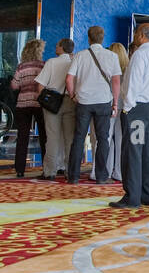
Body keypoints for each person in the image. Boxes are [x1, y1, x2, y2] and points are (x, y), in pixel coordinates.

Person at [111, 22, 149, 207]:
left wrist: (127, 108)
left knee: (133, 152)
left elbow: (133, 84)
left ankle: (132, 197)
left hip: (137, 109)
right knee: (147, 152)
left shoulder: (140, 54)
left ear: (141, 34)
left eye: (135, 32)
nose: (133, 36)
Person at [65, 26, 121, 184]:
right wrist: (115, 103)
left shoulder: (80, 56)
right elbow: (116, 81)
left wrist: (72, 95)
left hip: (83, 102)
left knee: (78, 138)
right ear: (103, 39)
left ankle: (73, 176)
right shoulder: (112, 56)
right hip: (104, 101)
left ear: (88, 38)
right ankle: (102, 176)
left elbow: (69, 79)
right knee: (103, 138)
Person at [35, 37, 76, 179]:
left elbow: (40, 84)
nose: (55, 47)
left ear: (62, 48)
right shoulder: (74, 63)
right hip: (70, 101)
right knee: (69, 138)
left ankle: (49, 172)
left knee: (52, 137)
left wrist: (44, 100)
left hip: (53, 102)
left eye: (57, 45)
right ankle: (69, 170)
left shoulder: (52, 62)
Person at [88, 42, 129, 182]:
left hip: (110, 104)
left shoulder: (109, 65)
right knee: (120, 139)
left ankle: (98, 170)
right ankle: (119, 171)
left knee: (104, 138)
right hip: (124, 106)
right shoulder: (128, 69)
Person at [10, 38, 47, 179]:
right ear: (38, 51)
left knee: (22, 137)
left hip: (23, 104)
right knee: (44, 137)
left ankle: (20, 169)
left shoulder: (21, 67)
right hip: (38, 104)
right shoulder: (43, 66)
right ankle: (46, 167)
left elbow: (14, 85)